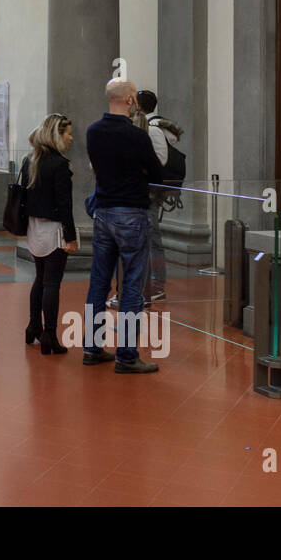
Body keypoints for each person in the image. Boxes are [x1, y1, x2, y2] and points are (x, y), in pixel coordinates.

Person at [84, 78, 164, 374]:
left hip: (104, 211)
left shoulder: (94, 132)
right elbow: (156, 171)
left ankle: (92, 347)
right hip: (132, 211)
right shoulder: (137, 137)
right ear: (130, 100)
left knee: (99, 281)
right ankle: (127, 355)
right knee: (132, 284)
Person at [21, 114, 78, 354]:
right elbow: (65, 205)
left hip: (34, 227)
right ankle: (50, 335)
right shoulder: (60, 165)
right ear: (58, 134)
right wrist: (71, 236)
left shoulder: (30, 160)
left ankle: (34, 326)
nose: (71, 138)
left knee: (39, 278)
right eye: (68, 133)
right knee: (52, 283)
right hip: (54, 228)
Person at [136, 89, 181, 303]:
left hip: (150, 190)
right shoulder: (158, 127)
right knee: (151, 236)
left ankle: (156, 284)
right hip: (151, 188)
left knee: (153, 237)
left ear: (138, 105)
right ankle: (152, 283)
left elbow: (158, 160)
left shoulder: (152, 129)